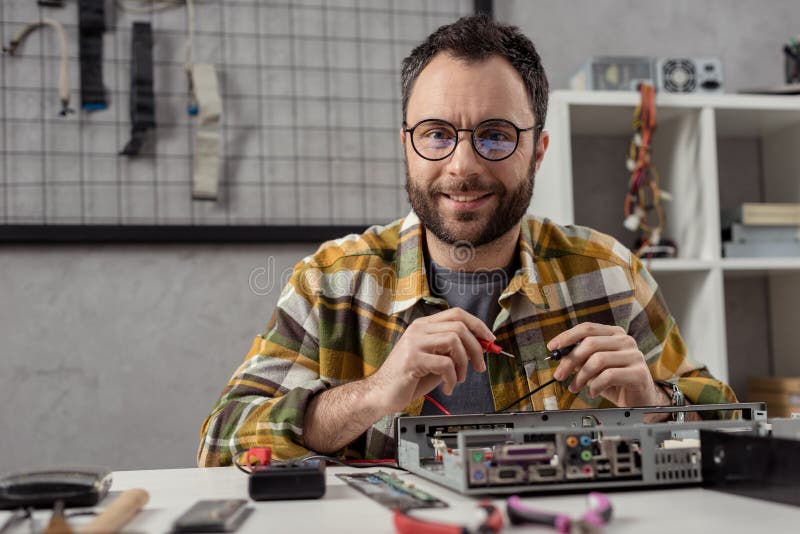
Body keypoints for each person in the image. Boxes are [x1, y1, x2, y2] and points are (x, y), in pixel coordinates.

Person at [198, 15, 736, 466]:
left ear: (539, 151)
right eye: (436, 134)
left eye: (495, 136)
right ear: (407, 146)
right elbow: (221, 442)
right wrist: (371, 394)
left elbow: (733, 426)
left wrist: (656, 404)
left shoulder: (611, 273)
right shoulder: (331, 282)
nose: (462, 166)